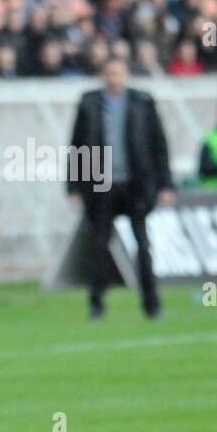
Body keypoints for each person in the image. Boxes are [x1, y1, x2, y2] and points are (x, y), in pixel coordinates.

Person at [67, 56, 175, 320]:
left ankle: (151, 304)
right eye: (110, 74)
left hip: (135, 186)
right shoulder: (90, 104)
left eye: (118, 73)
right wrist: (74, 185)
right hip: (101, 185)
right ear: (104, 76)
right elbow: (77, 147)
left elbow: (158, 146)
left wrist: (165, 183)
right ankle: (97, 304)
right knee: (99, 246)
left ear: (126, 76)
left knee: (142, 245)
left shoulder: (142, 103)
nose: (114, 79)